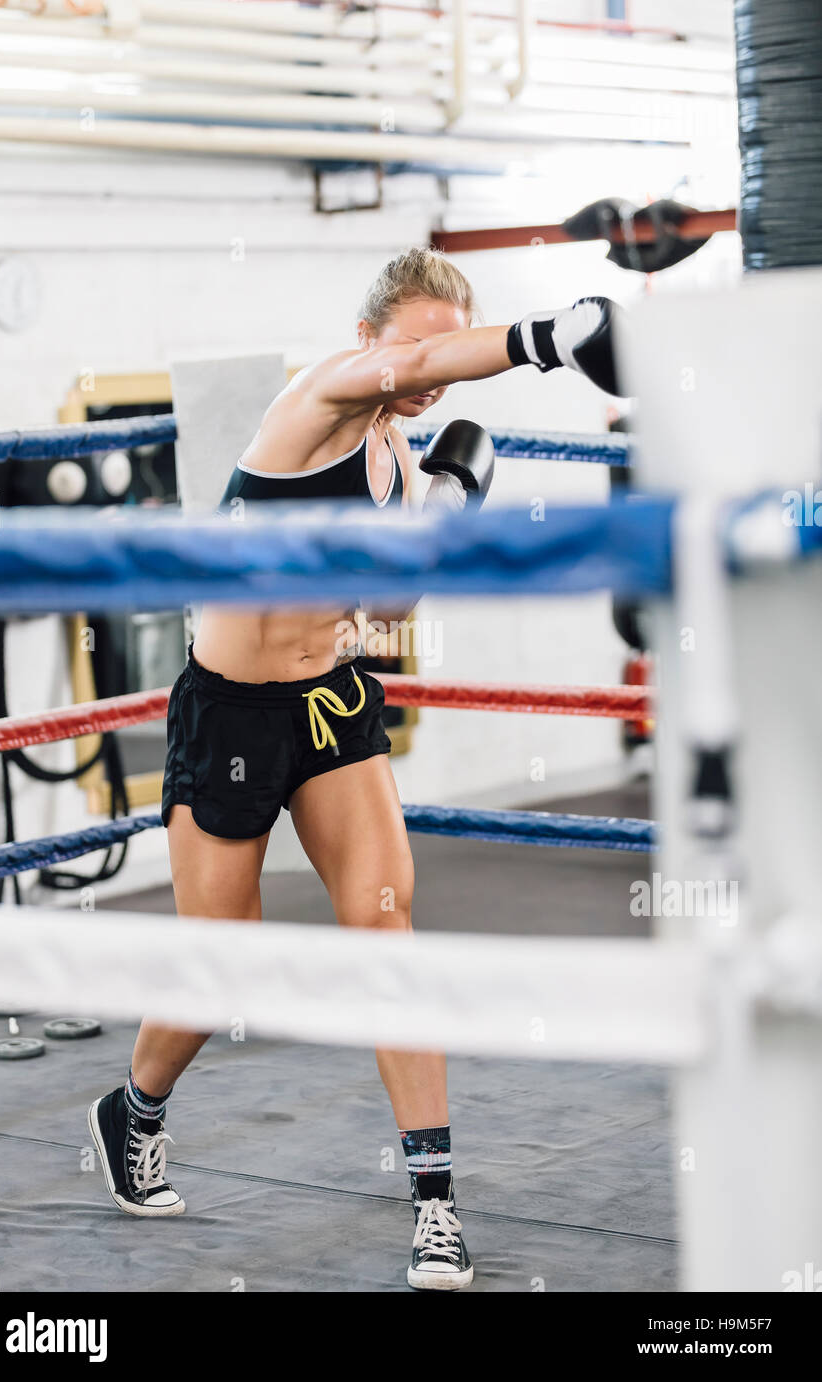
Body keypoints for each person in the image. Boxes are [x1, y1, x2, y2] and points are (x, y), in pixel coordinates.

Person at [88, 246, 622, 1291]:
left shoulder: (396, 460)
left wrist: (446, 511)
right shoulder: (317, 398)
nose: (429, 369)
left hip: (328, 704)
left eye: (446, 347)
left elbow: (388, 611)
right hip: (229, 712)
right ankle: (133, 1109)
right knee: (223, 962)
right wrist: (548, 339)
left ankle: (434, 1207)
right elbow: (413, 368)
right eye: (417, 345)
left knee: (385, 932)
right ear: (373, 336)